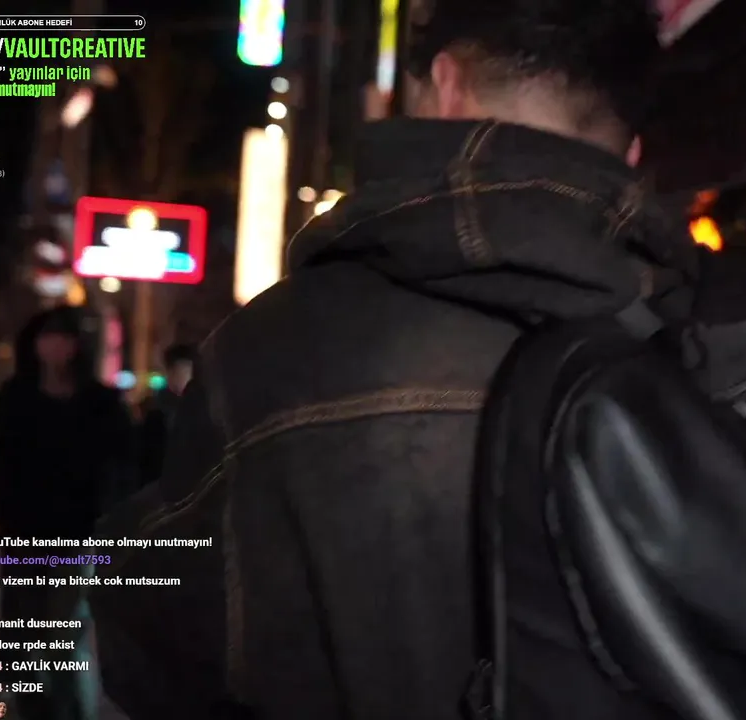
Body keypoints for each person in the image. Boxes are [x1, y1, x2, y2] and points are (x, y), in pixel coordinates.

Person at [89, 1, 694, 717]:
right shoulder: (710, 350)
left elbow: (151, 639)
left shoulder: (278, 349)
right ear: (631, 151)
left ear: (447, 84)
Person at [0, 306, 134, 720]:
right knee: (22, 630)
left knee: (65, 635)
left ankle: (70, 708)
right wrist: (6, 518)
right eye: (47, 337)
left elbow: (123, 467)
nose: (55, 347)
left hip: (78, 538)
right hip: (23, 537)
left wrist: (106, 520)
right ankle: (30, 704)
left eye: (64, 338)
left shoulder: (102, 404)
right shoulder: (13, 400)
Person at [138, 343, 196, 487]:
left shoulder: (198, 406)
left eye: (187, 371)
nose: (184, 376)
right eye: (180, 370)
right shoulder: (158, 413)